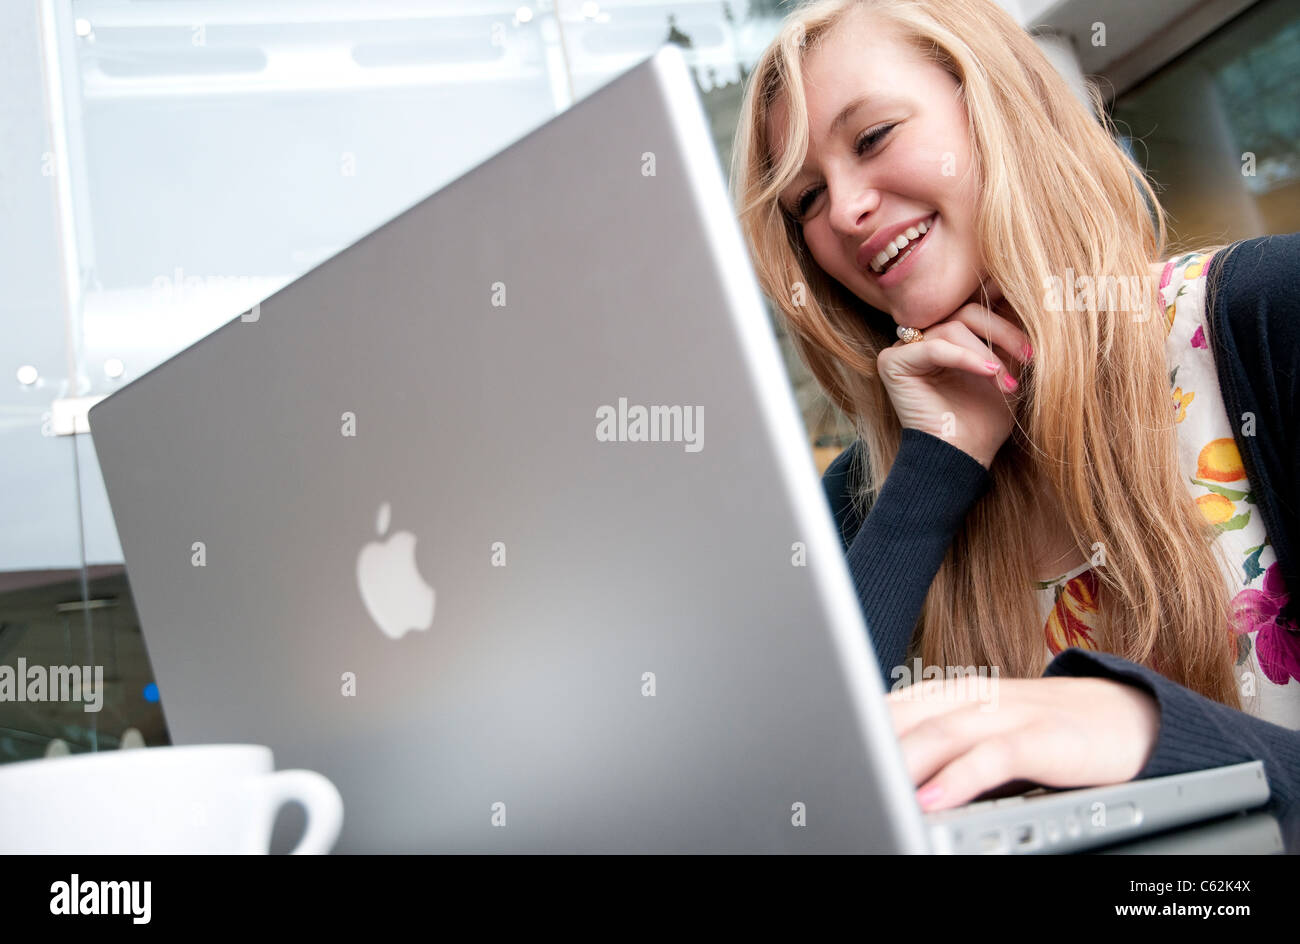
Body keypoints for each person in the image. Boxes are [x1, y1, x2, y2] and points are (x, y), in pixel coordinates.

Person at [729, 0, 1300, 833]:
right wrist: (933, 467)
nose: (845, 207)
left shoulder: (1265, 317)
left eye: (874, 136)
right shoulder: (867, 497)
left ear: (998, 104)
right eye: (807, 196)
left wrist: (1146, 731)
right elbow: (792, 819)